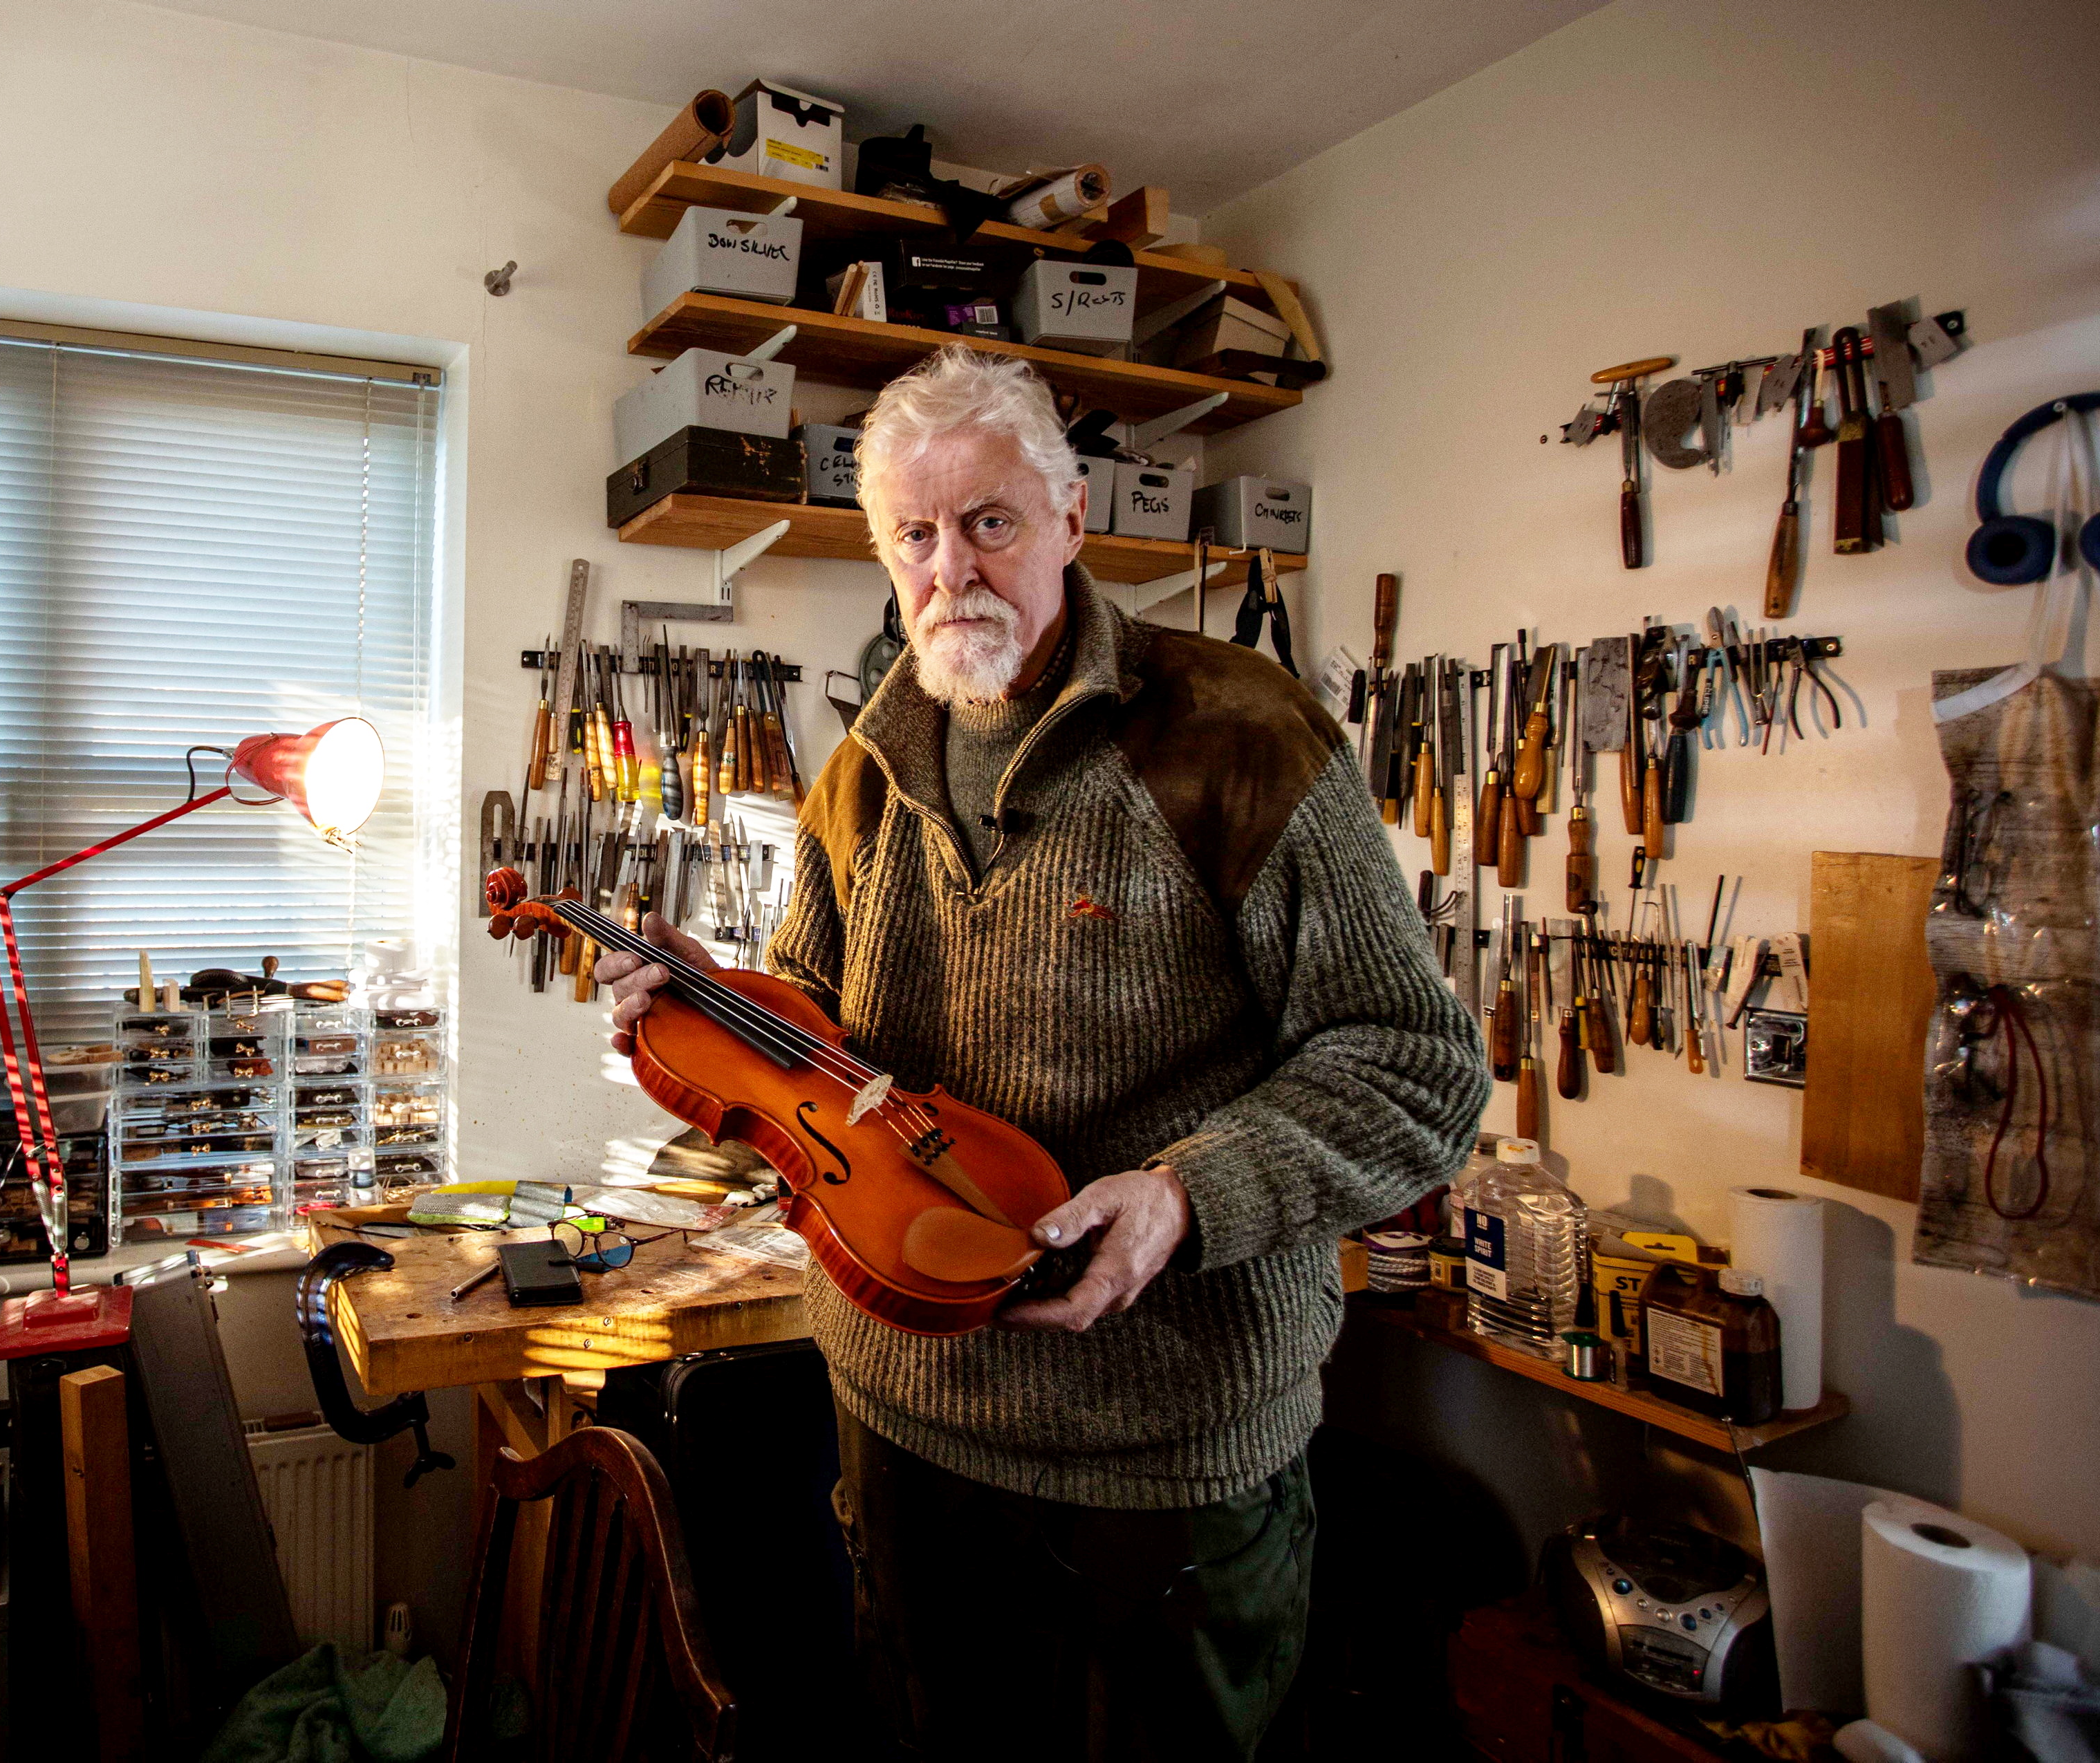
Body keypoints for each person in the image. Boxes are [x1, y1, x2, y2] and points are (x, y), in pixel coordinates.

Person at [595, 346, 1489, 1760]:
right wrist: (705, 1003)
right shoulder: (856, 772)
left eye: (989, 522)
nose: (951, 567)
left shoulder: (1240, 736)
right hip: (898, 1421)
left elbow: (1411, 1064)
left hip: (1164, 1463)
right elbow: (819, 1055)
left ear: (1071, 519)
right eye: (915, 533)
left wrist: (1189, 1195)